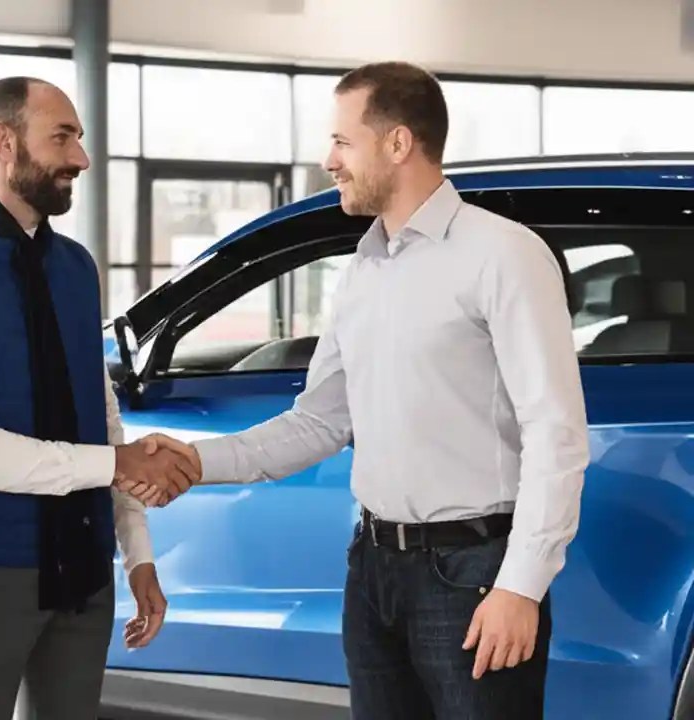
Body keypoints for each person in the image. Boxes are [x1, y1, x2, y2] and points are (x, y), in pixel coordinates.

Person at [154, 62, 589, 719]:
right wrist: (195, 460)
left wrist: (520, 588)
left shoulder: (502, 254)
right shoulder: (364, 266)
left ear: (397, 143)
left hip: (471, 576)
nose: (328, 160)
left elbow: (556, 432)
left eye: (341, 141)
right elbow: (320, 422)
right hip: (374, 572)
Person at [0, 76, 197, 720]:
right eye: (62, 136)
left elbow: (102, 414)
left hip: (85, 566)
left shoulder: (77, 267)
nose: (81, 159)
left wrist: (137, 551)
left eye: (80, 139)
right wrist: (114, 466)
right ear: (4, 143)